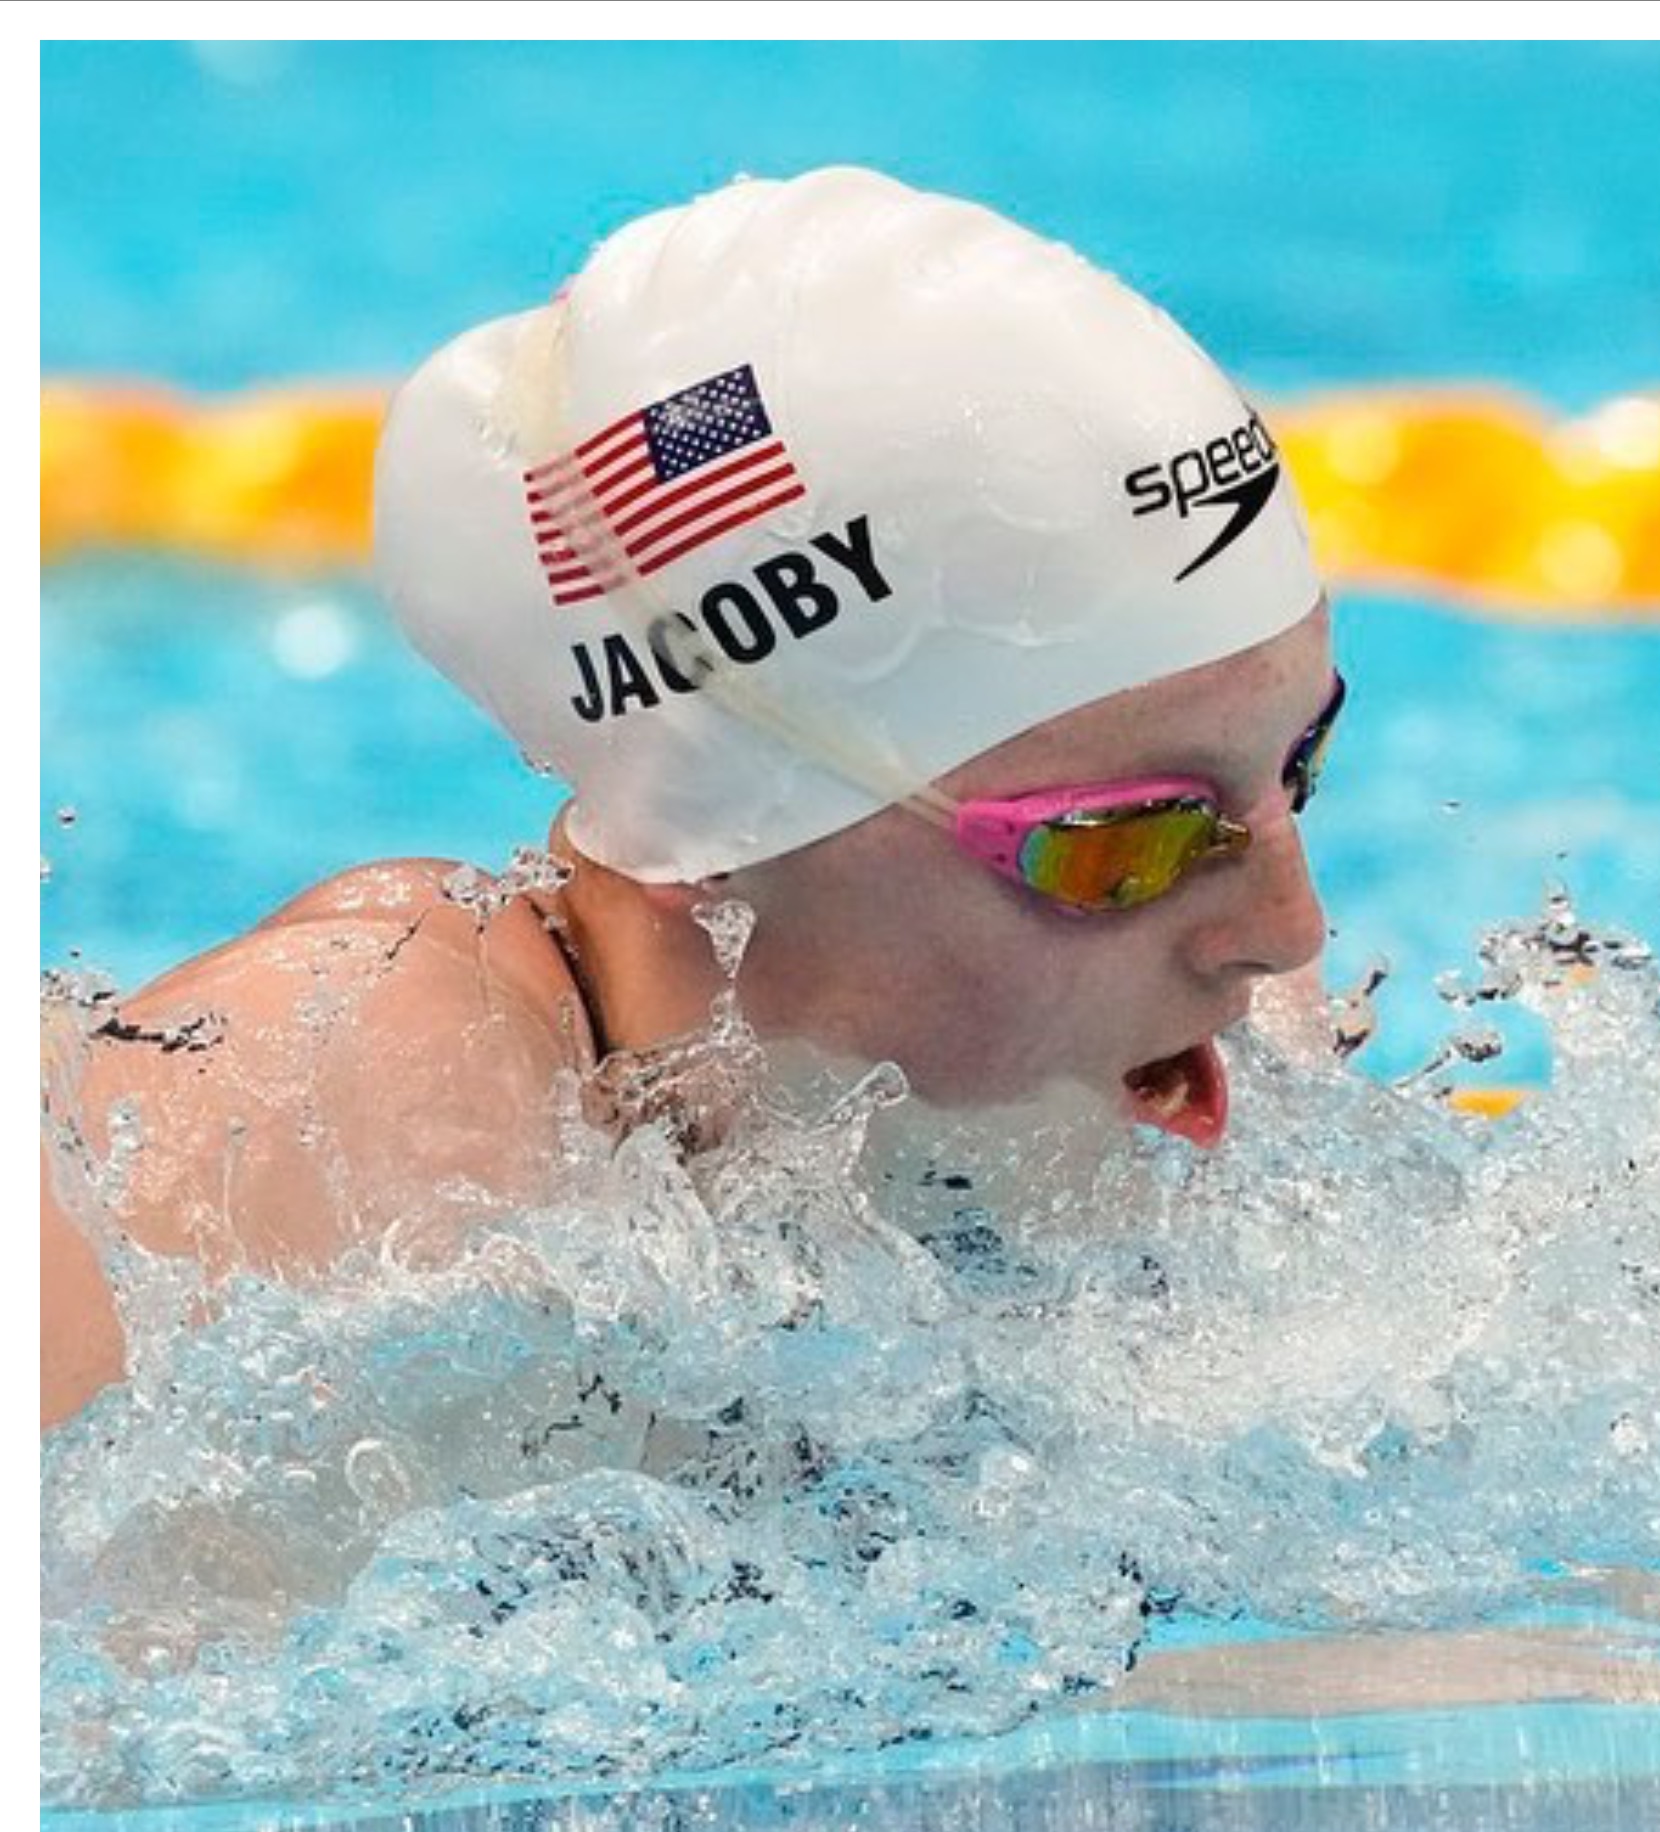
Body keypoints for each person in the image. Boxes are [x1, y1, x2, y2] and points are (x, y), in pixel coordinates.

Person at [42, 167, 1343, 1429]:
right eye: (1126, 842)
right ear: (715, 823)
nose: (1291, 931)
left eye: (1298, 767)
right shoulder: (329, 1133)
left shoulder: (1225, 1039)